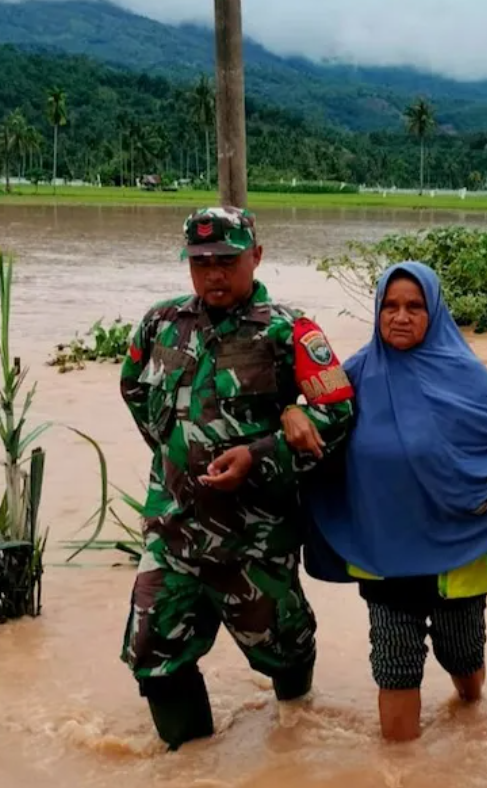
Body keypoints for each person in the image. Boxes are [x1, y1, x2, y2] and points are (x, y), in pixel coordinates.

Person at [119, 206, 355, 751]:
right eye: (201, 263)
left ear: (256, 256)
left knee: (284, 648)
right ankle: (190, 772)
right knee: (154, 651)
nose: (214, 275)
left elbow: (338, 411)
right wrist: (174, 458)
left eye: (226, 260)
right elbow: (134, 390)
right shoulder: (161, 323)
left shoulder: (289, 330)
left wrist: (262, 453)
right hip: (173, 532)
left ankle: (294, 732)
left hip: (253, 538)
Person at [300, 262, 487, 742]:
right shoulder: (349, 379)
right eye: (390, 307)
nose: (400, 316)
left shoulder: (469, 377)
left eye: (414, 307)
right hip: (385, 556)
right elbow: (312, 426)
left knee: (462, 655)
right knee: (394, 666)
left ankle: (473, 720)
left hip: (457, 555)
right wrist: (293, 411)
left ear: (434, 312)